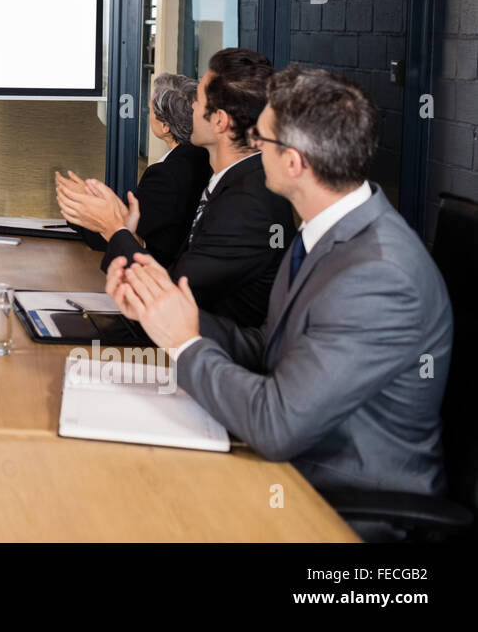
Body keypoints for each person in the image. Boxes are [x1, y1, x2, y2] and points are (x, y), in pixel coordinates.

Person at [105, 66, 452, 520]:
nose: (252, 148)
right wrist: (167, 312)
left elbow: (276, 424)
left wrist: (184, 345)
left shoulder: (380, 276)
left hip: (341, 506)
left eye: (261, 140)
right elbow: (269, 347)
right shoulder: (326, 233)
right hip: (289, 468)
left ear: (294, 163)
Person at [58, 48, 295, 327]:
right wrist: (130, 234)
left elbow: (166, 301)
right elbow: (182, 274)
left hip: (203, 358)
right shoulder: (234, 181)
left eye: (199, 100)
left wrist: (114, 229)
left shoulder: (248, 206)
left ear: (220, 121)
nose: (191, 106)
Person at [57, 72, 210, 268]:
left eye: (151, 110)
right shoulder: (203, 159)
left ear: (165, 126)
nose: (147, 113)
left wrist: (77, 208)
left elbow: (119, 235)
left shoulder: (168, 176)